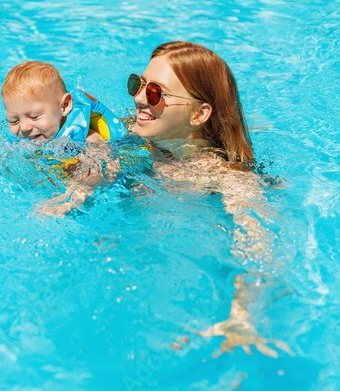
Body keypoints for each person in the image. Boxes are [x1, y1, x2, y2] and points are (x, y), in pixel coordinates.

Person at [125, 40, 293, 358]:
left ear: (199, 113)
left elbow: (259, 242)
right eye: (139, 84)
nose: (137, 99)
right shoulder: (139, 136)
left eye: (154, 93)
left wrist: (243, 315)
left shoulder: (223, 176)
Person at [1, 61, 126, 215]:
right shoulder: (32, 135)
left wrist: (69, 200)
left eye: (34, 116)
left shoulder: (89, 139)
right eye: (14, 120)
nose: (24, 128)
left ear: (65, 106)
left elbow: (100, 171)